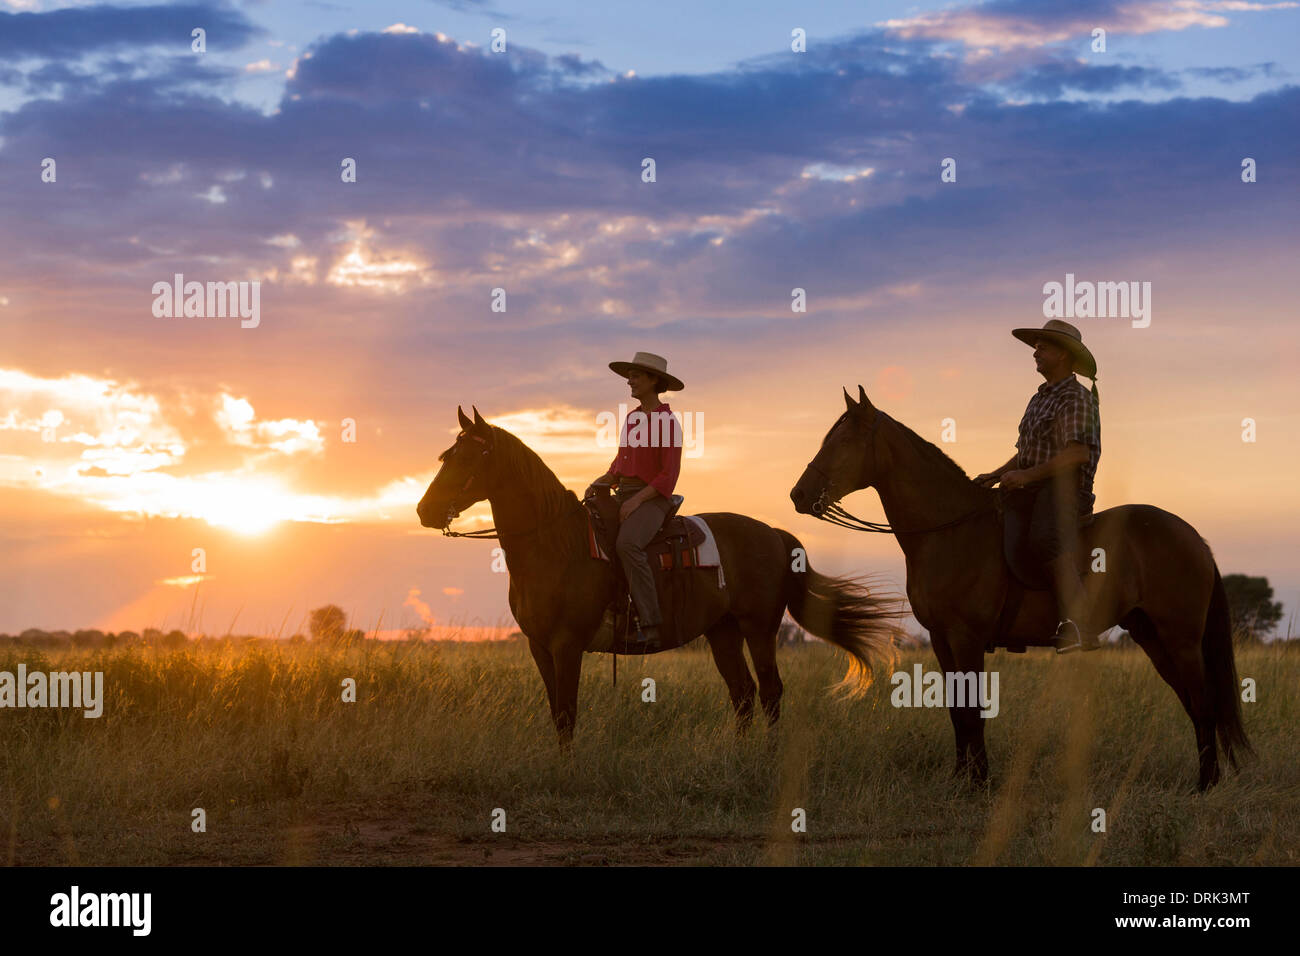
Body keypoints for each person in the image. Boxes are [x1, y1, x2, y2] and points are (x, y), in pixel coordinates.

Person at [974, 319, 1102, 653]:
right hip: (1033, 488)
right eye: (1036, 347)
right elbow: (1025, 456)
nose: (1036, 353)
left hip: (1064, 490)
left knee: (1044, 539)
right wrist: (996, 474)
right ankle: (997, 619)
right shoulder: (1039, 398)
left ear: (1063, 354)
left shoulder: (1075, 397)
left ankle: (1079, 624)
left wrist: (1027, 477)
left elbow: (1076, 454)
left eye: (1043, 347)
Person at [584, 352, 684, 650]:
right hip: (624, 493)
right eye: (629, 376)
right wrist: (602, 481)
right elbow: (620, 462)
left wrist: (636, 501)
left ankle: (650, 622)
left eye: (636, 376)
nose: (630, 381)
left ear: (654, 380)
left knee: (627, 544)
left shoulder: (667, 422)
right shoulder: (632, 418)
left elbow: (669, 475)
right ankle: (610, 612)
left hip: (653, 498)